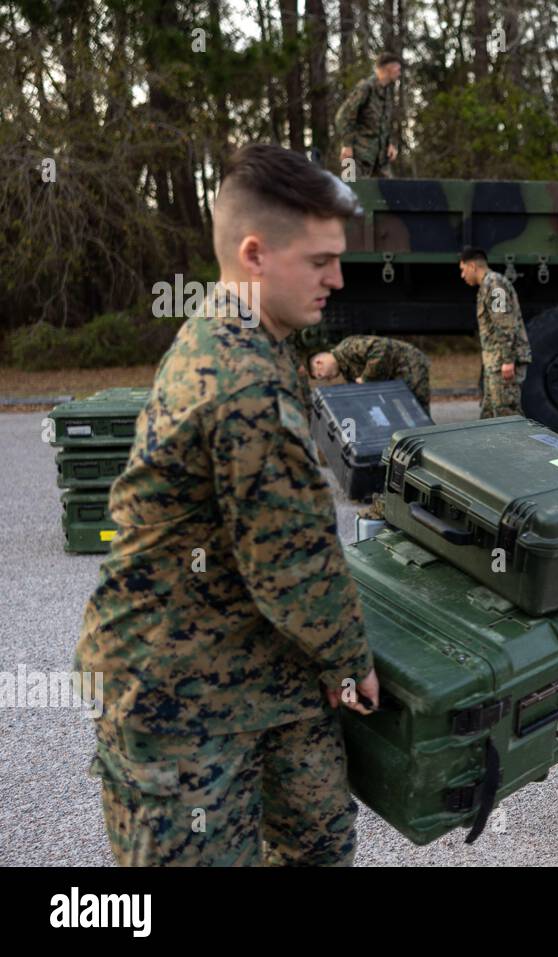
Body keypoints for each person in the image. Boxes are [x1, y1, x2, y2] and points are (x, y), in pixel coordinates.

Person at [74, 144, 379, 866]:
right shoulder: (239, 375)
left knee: (320, 840)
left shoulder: (254, 338)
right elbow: (289, 560)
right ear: (254, 254)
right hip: (171, 686)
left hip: (260, 661)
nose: (337, 278)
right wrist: (351, 659)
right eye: (319, 261)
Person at [458, 247, 532, 417]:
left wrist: (507, 360)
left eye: (463, 270)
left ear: (472, 266)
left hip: (502, 363)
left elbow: (504, 322)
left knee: (507, 417)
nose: (463, 275)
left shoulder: (494, 284)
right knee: (489, 416)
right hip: (495, 363)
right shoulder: (487, 285)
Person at [310, 334, 431, 408]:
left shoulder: (347, 347)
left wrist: (366, 377)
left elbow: (381, 348)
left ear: (319, 363)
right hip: (396, 377)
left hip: (409, 363)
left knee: (417, 411)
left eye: (321, 375)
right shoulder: (346, 371)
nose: (328, 379)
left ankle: (434, 446)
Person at [335, 52, 401, 179]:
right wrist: (347, 145)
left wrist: (391, 143)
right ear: (389, 68)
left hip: (380, 159)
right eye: (398, 69)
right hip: (356, 155)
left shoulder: (387, 91)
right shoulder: (366, 88)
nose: (399, 73)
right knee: (349, 192)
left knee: (391, 195)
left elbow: (386, 121)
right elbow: (342, 116)